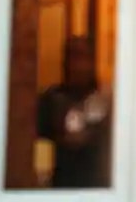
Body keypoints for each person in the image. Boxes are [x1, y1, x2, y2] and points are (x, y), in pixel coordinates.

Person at [36, 36, 112, 188]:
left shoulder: (107, 100)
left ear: (93, 62)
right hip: (65, 188)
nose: (78, 65)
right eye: (73, 57)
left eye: (83, 57)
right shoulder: (52, 99)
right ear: (64, 62)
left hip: (102, 189)